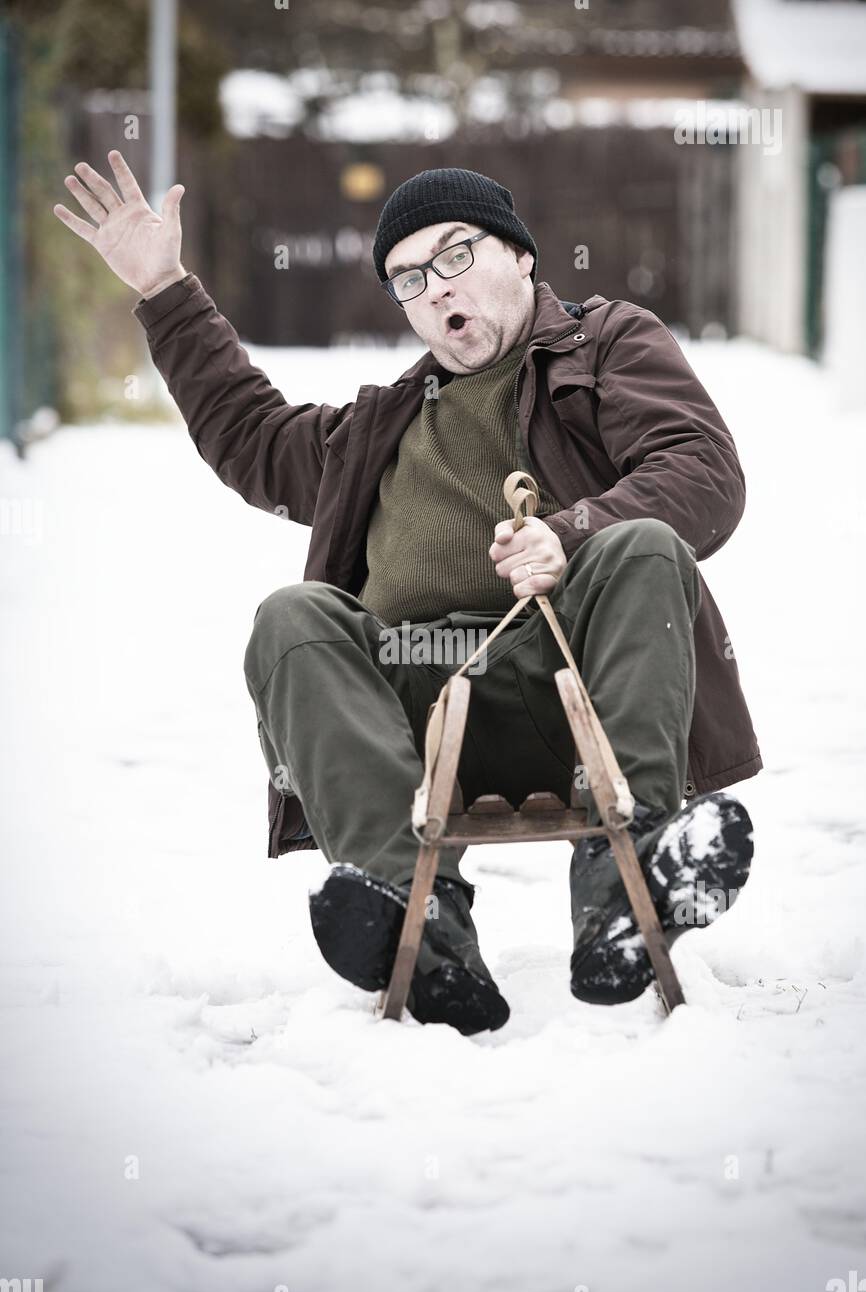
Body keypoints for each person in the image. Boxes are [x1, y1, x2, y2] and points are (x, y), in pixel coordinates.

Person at [54, 156, 760, 1036]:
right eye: (410, 278)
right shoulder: (381, 425)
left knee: (642, 545)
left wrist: (571, 534)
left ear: (520, 254)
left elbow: (702, 468)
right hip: (410, 713)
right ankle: (416, 926)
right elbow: (250, 433)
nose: (437, 288)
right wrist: (165, 289)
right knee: (291, 618)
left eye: (456, 255)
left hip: (578, 681)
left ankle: (627, 883)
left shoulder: (604, 343)